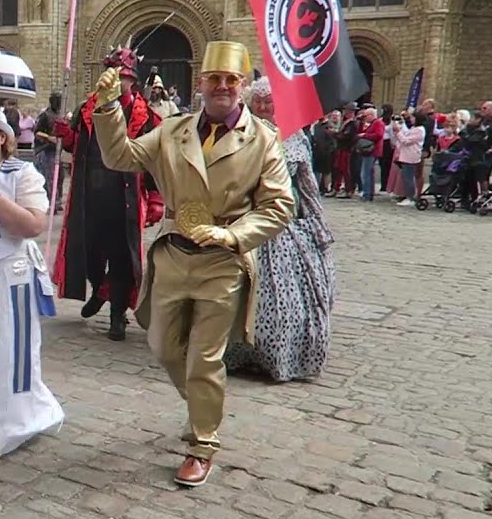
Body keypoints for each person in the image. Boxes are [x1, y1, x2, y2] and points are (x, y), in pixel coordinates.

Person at [90, 41, 294, 487]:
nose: (221, 87)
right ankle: (204, 405)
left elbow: (279, 207)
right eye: (213, 79)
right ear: (200, 83)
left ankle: (203, 444)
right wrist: (107, 107)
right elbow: (118, 156)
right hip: (174, 252)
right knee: (164, 347)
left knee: (204, 359)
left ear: (241, 86)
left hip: (222, 260)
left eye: (230, 80)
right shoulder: (172, 130)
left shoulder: (263, 139)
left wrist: (233, 235)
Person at [0, 105, 63, 455]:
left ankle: (13, 421)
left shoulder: (23, 173)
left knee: (8, 348)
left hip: (10, 273)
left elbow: (32, 226)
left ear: (4, 139)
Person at [224, 76, 334, 382]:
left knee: (283, 299)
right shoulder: (238, 134)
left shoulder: (294, 138)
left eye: (268, 101)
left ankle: (278, 355)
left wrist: (316, 222)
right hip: (246, 223)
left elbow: (307, 185)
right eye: (257, 101)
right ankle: (236, 351)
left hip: (284, 227)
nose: (262, 106)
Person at [53, 46, 163, 341]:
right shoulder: (87, 107)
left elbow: (155, 159)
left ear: (132, 81)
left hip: (124, 199)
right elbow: (78, 144)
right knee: (87, 252)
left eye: (122, 76)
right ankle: (100, 287)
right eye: (111, 73)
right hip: (90, 195)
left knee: (121, 258)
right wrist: (67, 137)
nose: (116, 80)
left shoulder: (146, 117)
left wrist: (155, 197)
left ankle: (117, 316)